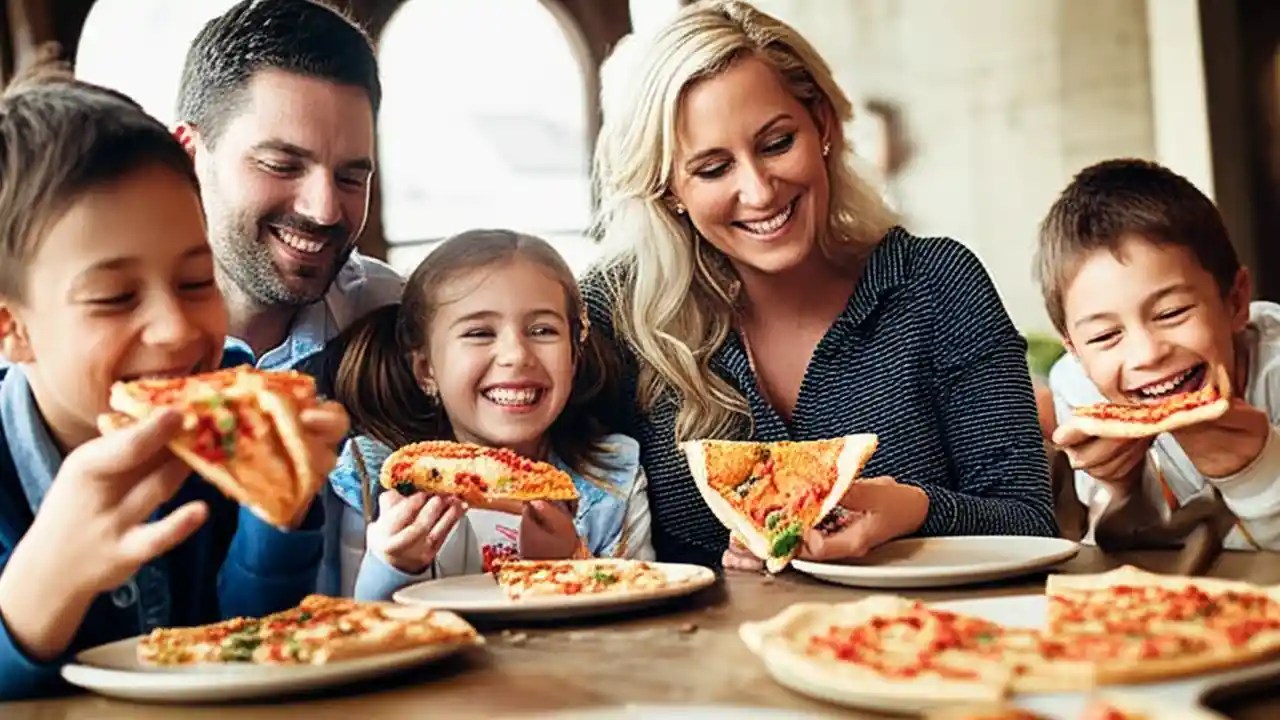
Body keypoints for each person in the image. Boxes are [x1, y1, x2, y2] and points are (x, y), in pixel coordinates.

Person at [584, 0, 1056, 569]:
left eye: (777, 143)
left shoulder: (937, 283)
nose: (760, 191)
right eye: (713, 169)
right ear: (668, 189)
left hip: (923, 626)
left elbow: (1030, 522)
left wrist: (913, 511)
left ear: (823, 126)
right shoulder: (611, 314)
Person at [0, 66, 347, 699]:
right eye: (114, 297)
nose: (175, 329)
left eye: (195, 282)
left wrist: (277, 503)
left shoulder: (233, 411)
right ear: (11, 327)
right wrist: (40, 588)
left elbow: (243, 647)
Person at [174, 0, 404, 595]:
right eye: (281, 164)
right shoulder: (122, 352)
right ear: (189, 156)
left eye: (351, 177)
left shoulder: (394, 319)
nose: (324, 209)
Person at [305, 230, 652, 600]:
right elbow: (351, 623)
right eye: (480, 333)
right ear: (426, 370)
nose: (516, 355)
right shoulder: (376, 481)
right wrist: (392, 564)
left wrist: (568, 564)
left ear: (574, 355)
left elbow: (645, 612)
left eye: (542, 330)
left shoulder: (609, 479)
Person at [1039, 158, 1280, 551]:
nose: (1147, 354)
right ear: (1076, 352)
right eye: (1105, 335)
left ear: (1235, 301)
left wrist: (1257, 472)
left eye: (1171, 313)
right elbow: (1123, 561)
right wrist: (1121, 491)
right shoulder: (1080, 389)